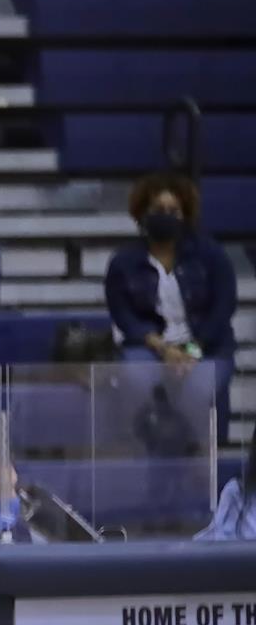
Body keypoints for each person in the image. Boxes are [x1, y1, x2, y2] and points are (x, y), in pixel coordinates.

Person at [105, 170, 237, 442]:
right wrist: (164, 350)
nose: (166, 216)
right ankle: (143, 448)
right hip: (151, 347)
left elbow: (223, 307)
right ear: (143, 213)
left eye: (173, 210)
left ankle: (198, 457)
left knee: (196, 392)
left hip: (206, 347)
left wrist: (191, 351)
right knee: (136, 378)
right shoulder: (123, 262)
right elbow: (123, 316)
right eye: (158, 210)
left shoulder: (211, 255)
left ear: (185, 215)